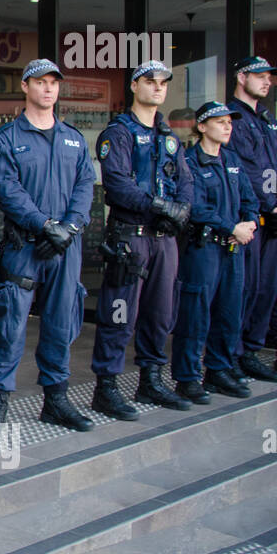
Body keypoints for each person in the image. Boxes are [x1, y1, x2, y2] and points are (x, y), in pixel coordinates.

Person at [0, 58, 97, 431]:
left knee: (61, 323)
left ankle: (56, 401)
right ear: (26, 87)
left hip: (66, 247)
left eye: (53, 83)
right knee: (10, 325)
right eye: (40, 82)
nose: (48, 88)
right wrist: (45, 226)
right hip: (25, 247)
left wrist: (69, 228)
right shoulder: (8, 139)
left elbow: (85, 188)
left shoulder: (74, 139)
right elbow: (5, 189)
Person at [89, 60, 195, 416]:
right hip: (129, 238)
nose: (158, 88)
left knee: (160, 314)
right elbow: (118, 186)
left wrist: (181, 209)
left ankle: (150, 381)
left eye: (163, 83)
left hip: (163, 240)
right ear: (134, 86)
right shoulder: (118, 133)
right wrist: (163, 206)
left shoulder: (169, 137)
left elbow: (186, 181)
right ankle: (106, 388)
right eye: (150, 81)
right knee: (119, 315)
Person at [171, 102, 259, 400]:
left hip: (233, 250)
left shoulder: (232, 160)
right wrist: (230, 227)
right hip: (203, 248)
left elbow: (249, 198)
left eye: (229, 122)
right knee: (195, 314)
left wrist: (247, 224)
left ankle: (218, 371)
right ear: (203, 126)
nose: (227, 127)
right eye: (220, 122)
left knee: (229, 312)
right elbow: (194, 207)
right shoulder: (190, 162)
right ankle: (187, 377)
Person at [227, 55, 277, 382]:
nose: (267, 81)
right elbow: (245, 168)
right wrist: (269, 205)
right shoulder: (232, 117)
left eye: (270, 77)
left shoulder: (270, 120)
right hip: (251, 219)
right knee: (245, 289)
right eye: (260, 76)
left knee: (268, 289)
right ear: (242, 77)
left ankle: (253, 351)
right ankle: (233, 356)